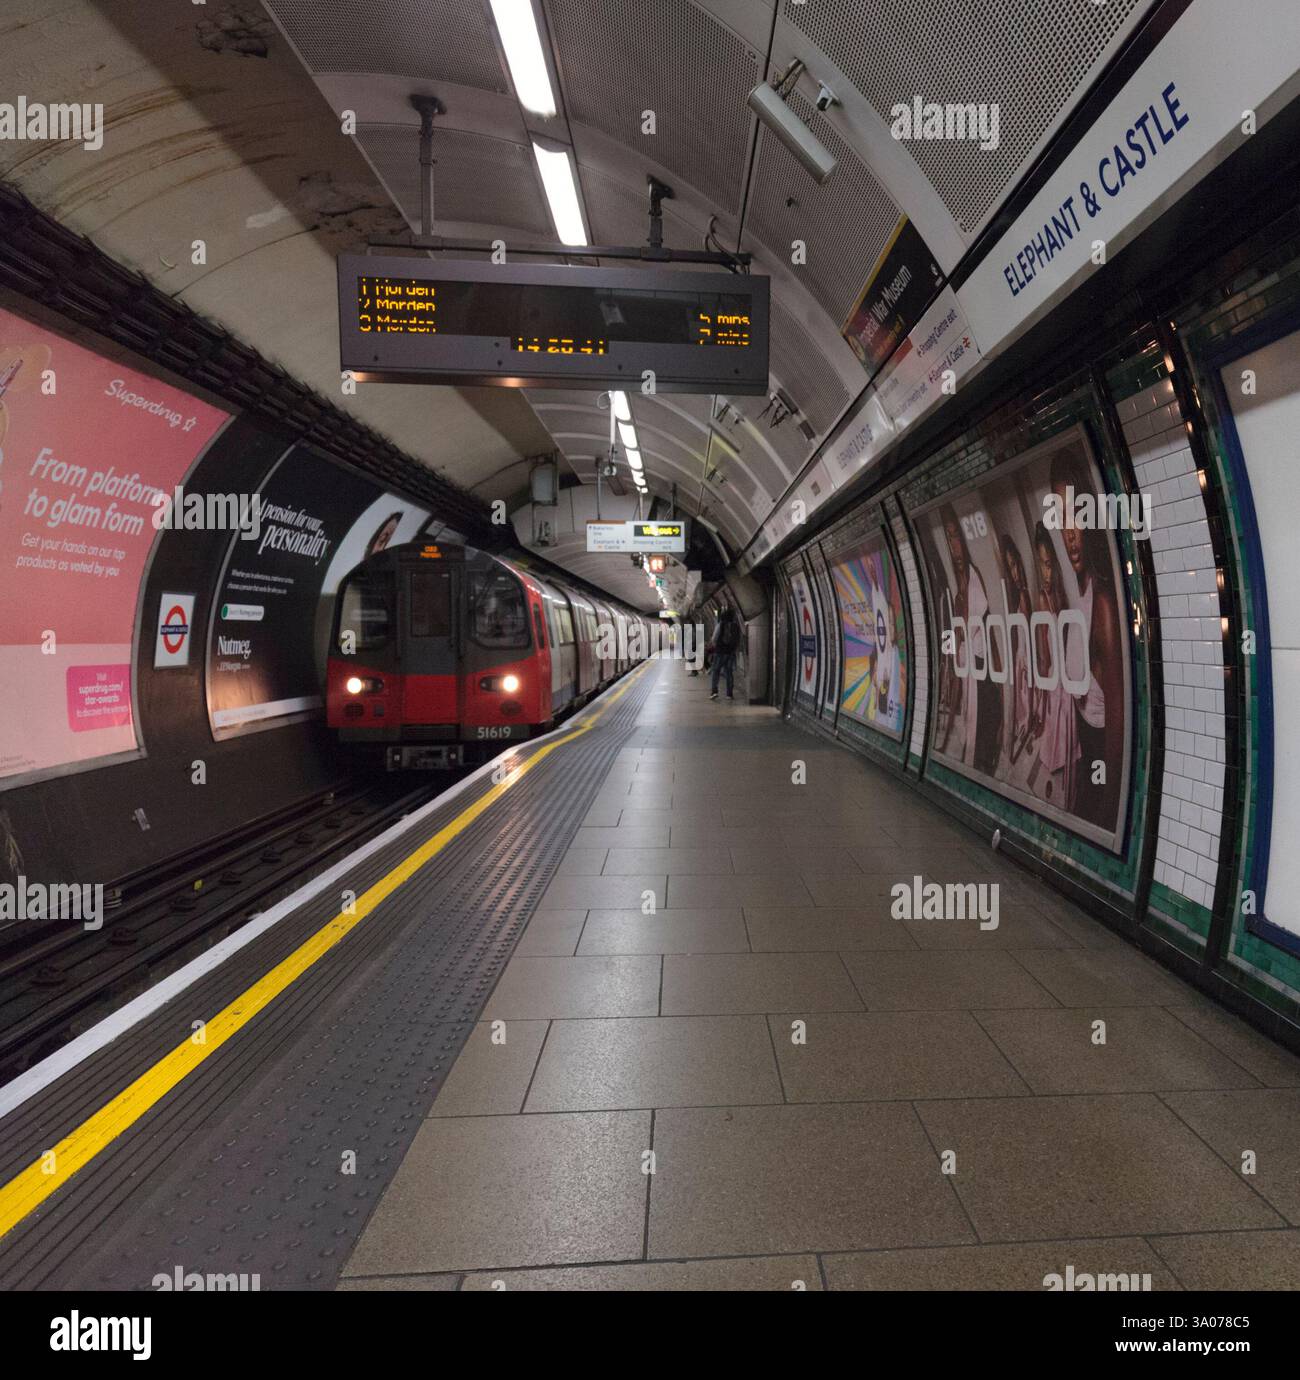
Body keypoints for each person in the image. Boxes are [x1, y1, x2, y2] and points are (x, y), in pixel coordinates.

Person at [708, 606, 741, 700]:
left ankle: (714, 692)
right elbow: (738, 640)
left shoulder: (721, 624)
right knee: (729, 672)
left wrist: (713, 645)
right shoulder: (735, 626)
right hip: (730, 653)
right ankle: (729, 694)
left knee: (716, 671)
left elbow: (714, 638)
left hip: (720, 652)